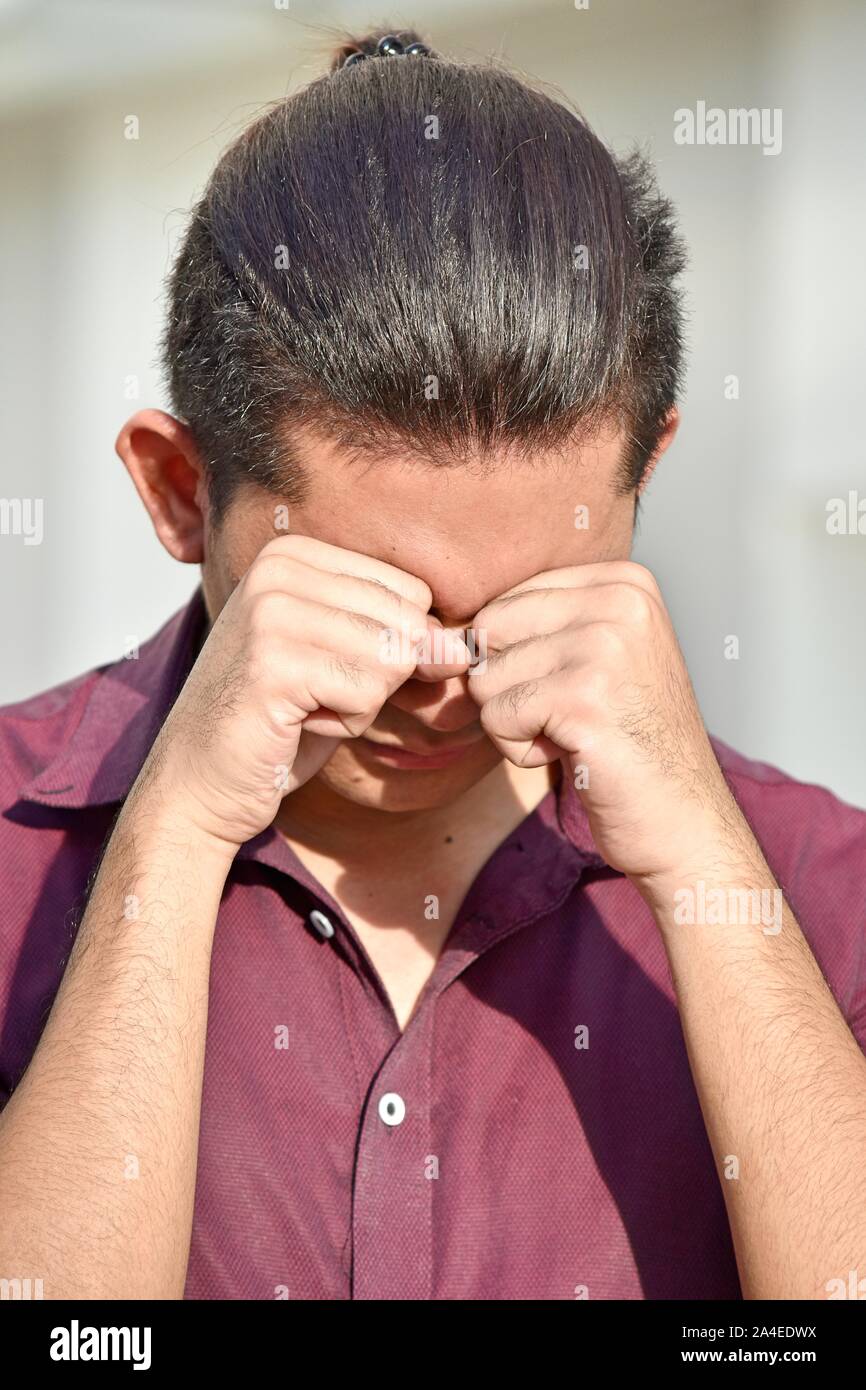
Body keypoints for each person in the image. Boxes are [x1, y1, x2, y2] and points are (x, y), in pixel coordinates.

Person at [1, 26, 864, 1303]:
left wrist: (699, 860)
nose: (446, 673)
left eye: (525, 595)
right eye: (371, 599)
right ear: (182, 489)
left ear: (642, 472)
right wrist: (173, 836)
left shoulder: (815, 889)